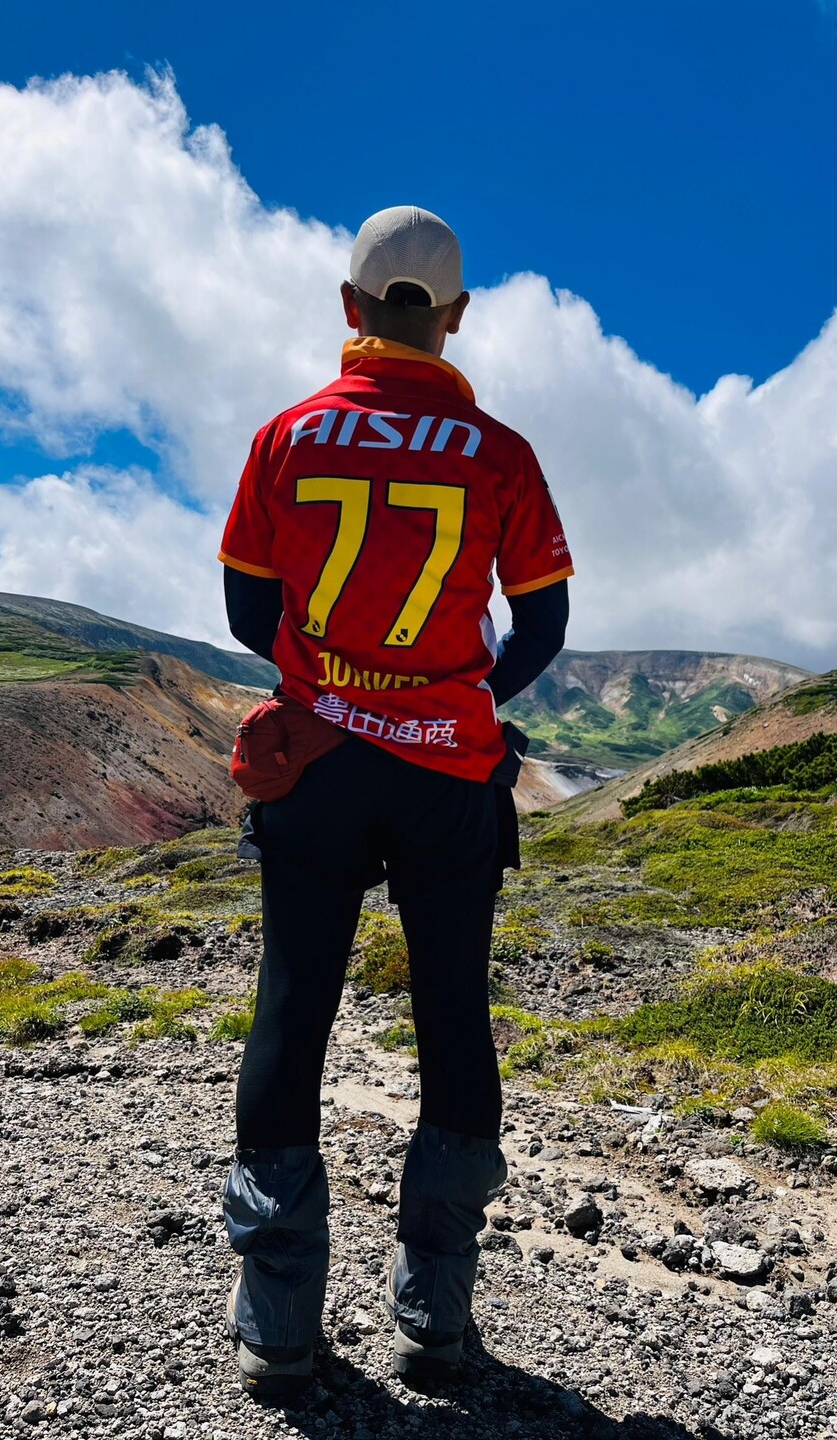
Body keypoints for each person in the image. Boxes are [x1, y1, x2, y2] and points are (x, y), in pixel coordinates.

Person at [217, 205, 573, 1398]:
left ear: (348, 307)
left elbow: (246, 617)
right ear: (457, 317)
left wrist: (336, 684)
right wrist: (455, 693)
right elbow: (545, 624)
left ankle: (277, 1324)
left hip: (315, 766)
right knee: (452, 1018)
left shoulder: (284, 440)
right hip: (448, 778)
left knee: (292, 1011)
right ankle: (437, 1318)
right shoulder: (504, 457)